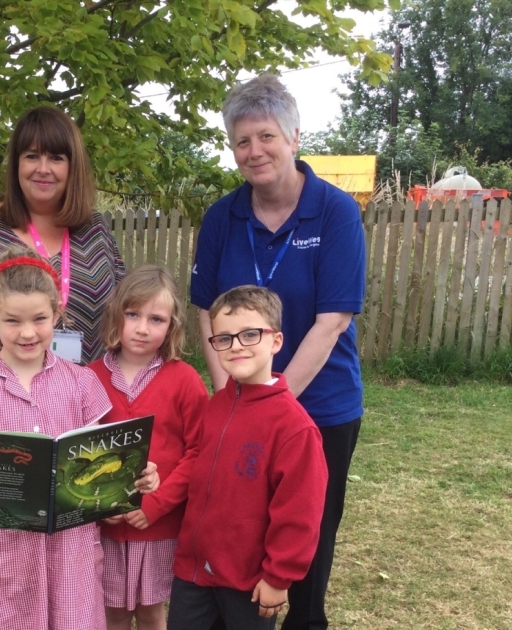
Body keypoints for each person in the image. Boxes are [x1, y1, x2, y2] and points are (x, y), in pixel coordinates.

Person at [189, 74, 366, 630]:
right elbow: (206, 310)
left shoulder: (335, 212)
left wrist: (272, 398)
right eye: (242, 141)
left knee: (306, 529)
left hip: (319, 406)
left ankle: (306, 620)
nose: (254, 151)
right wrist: (230, 394)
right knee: (239, 522)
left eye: (266, 136)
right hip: (237, 401)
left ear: (294, 136)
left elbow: (333, 319)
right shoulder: (222, 217)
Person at [0, 248, 160, 630]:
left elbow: (101, 460)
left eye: (39, 319)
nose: (27, 332)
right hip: (4, 551)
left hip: (71, 550)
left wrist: (135, 477)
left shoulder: (81, 382)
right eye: (12, 320)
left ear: (57, 313)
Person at [130, 286, 327, 630]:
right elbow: (193, 467)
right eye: (224, 338)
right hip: (194, 570)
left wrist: (279, 577)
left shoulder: (294, 428)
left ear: (275, 341)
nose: (236, 345)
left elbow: (300, 512)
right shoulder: (216, 406)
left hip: (248, 581)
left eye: (250, 334)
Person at [0, 105, 126, 436]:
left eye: (57, 158)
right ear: (16, 162)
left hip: (76, 413)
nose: (43, 169)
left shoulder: (96, 232)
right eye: (32, 156)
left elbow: (124, 319)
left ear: (73, 166)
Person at [88, 265, 209, 630]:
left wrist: (156, 505)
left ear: (171, 325)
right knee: (112, 613)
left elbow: (199, 452)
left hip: (158, 525)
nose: (142, 328)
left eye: (156, 319)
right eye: (132, 314)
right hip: (105, 525)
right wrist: (99, 508)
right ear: (116, 315)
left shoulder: (185, 380)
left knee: (152, 611)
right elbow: (78, 450)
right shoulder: (88, 378)